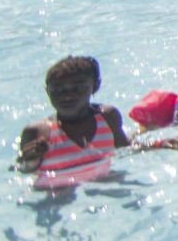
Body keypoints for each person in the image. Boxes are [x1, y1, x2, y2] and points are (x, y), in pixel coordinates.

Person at [17, 56, 130, 189]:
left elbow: (126, 149)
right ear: (47, 91)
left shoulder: (107, 118)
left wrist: (151, 144)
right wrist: (31, 162)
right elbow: (23, 170)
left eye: (78, 87)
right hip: (55, 190)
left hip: (102, 182)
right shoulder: (39, 132)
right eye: (58, 89)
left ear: (95, 86)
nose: (67, 96)